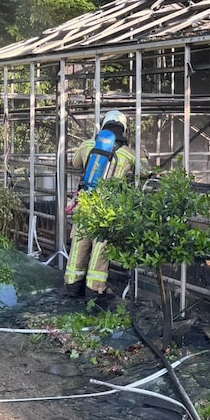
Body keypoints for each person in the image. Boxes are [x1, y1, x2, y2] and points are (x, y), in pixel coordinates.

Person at [63, 109, 146, 308]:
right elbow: (145, 171)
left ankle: (72, 286)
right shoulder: (128, 153)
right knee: (100, 248)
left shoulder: (87, 145)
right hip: (107, 208)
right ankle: (95, 291)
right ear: (123, 128)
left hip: (85, 203)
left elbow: (75, 163)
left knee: (79, 245)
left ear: (103, 125)